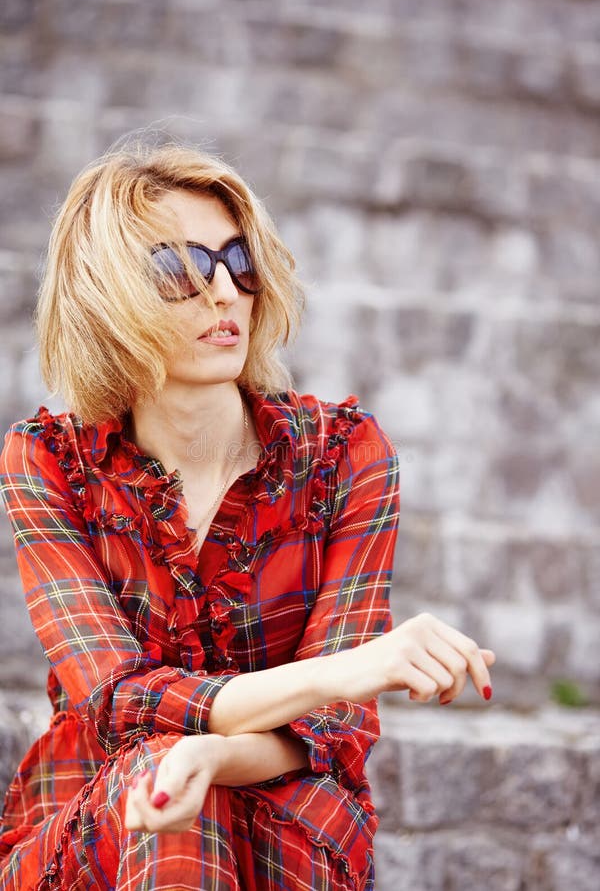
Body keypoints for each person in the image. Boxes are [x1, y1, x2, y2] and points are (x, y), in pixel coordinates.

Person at [0, 140, 495, 890]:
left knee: (179, 776)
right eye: (181, 269)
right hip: (106, 819)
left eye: (239, 261)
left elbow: (329, 729)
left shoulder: (345, 456)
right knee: (158, 796)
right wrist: (349, 670)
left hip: (290, 811)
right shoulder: (50, 464)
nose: (225, 292)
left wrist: (209, 754)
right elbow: (118, 701)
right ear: (104, 293)